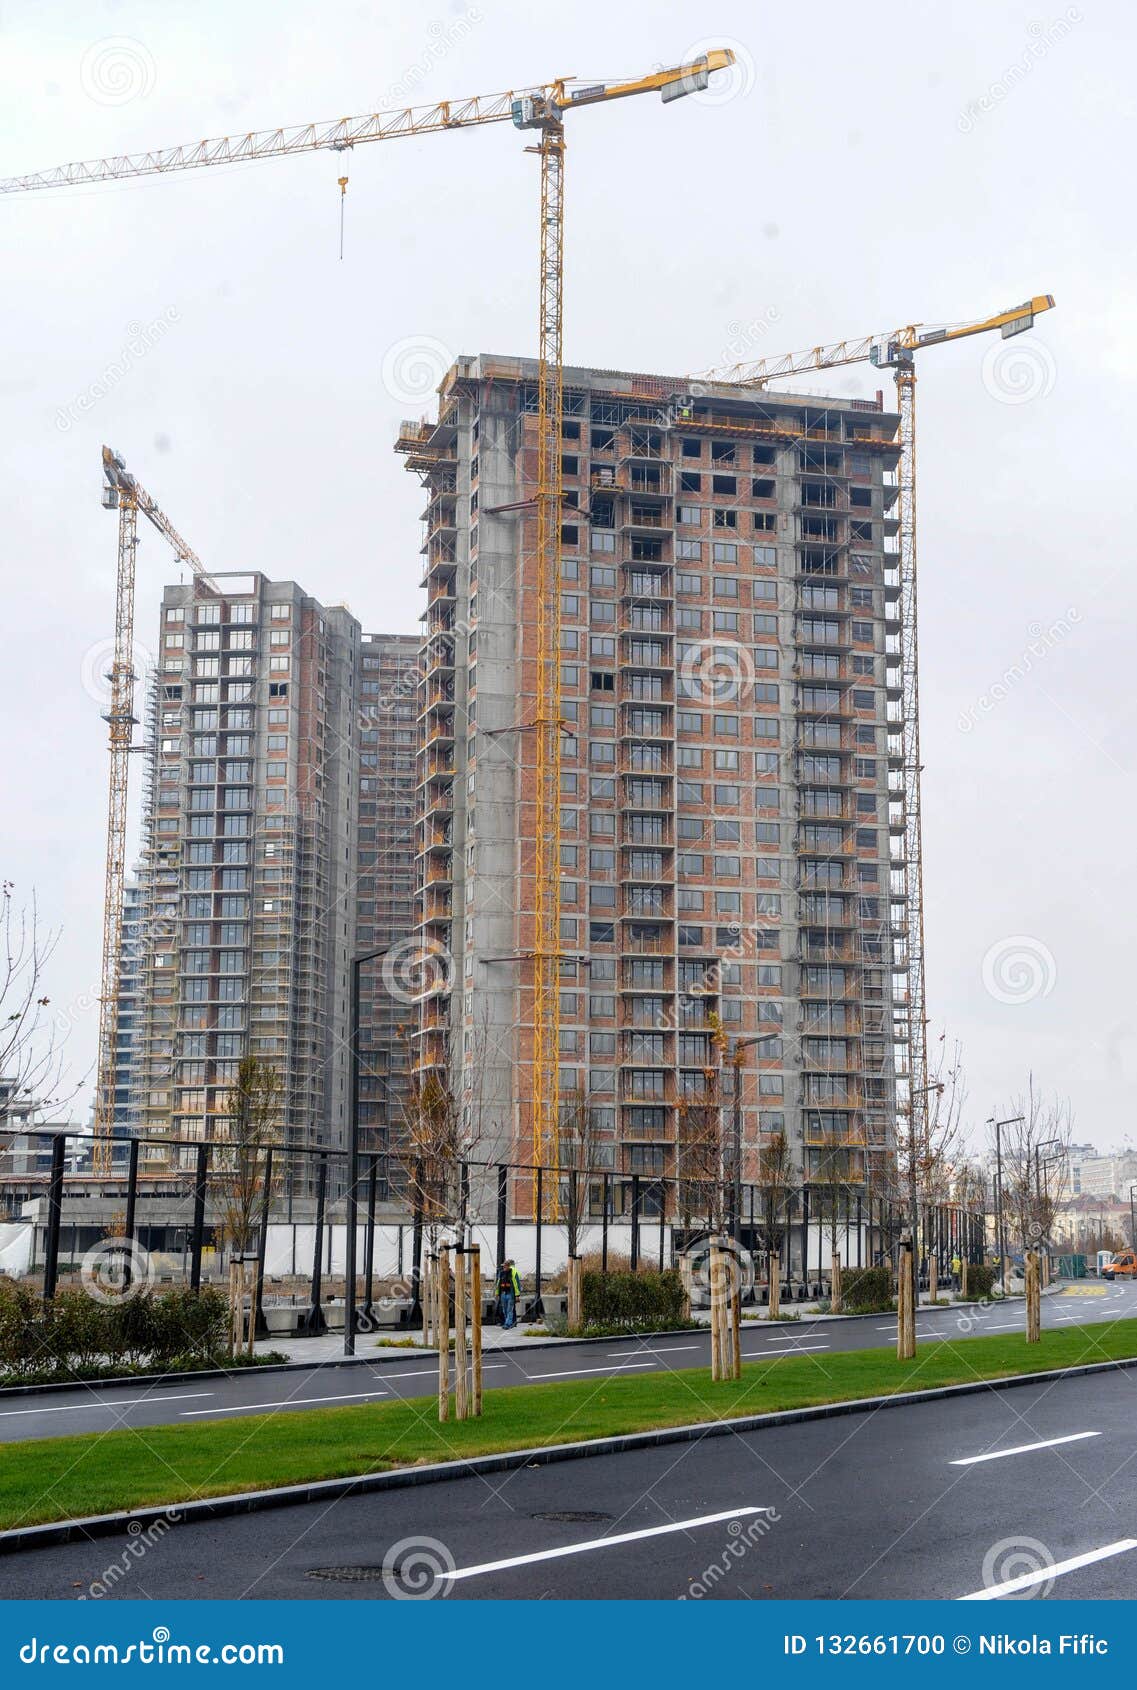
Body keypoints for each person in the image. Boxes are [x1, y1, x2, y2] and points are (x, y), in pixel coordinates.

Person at [497, 1258, 521, 1329]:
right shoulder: (501, 1273)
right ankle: (508, 1323)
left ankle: (508, 1324)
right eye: (503, 1266)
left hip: (510, 1294)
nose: (503, 1267)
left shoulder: (513, 1273)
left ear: (508, 1266)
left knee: (509, 1310)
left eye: (505, 1266)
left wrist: (517, 1295)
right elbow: (498, 1283)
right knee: (505, 1310)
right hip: (503, 1294)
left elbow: (516, 1285)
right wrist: (497, 1293)